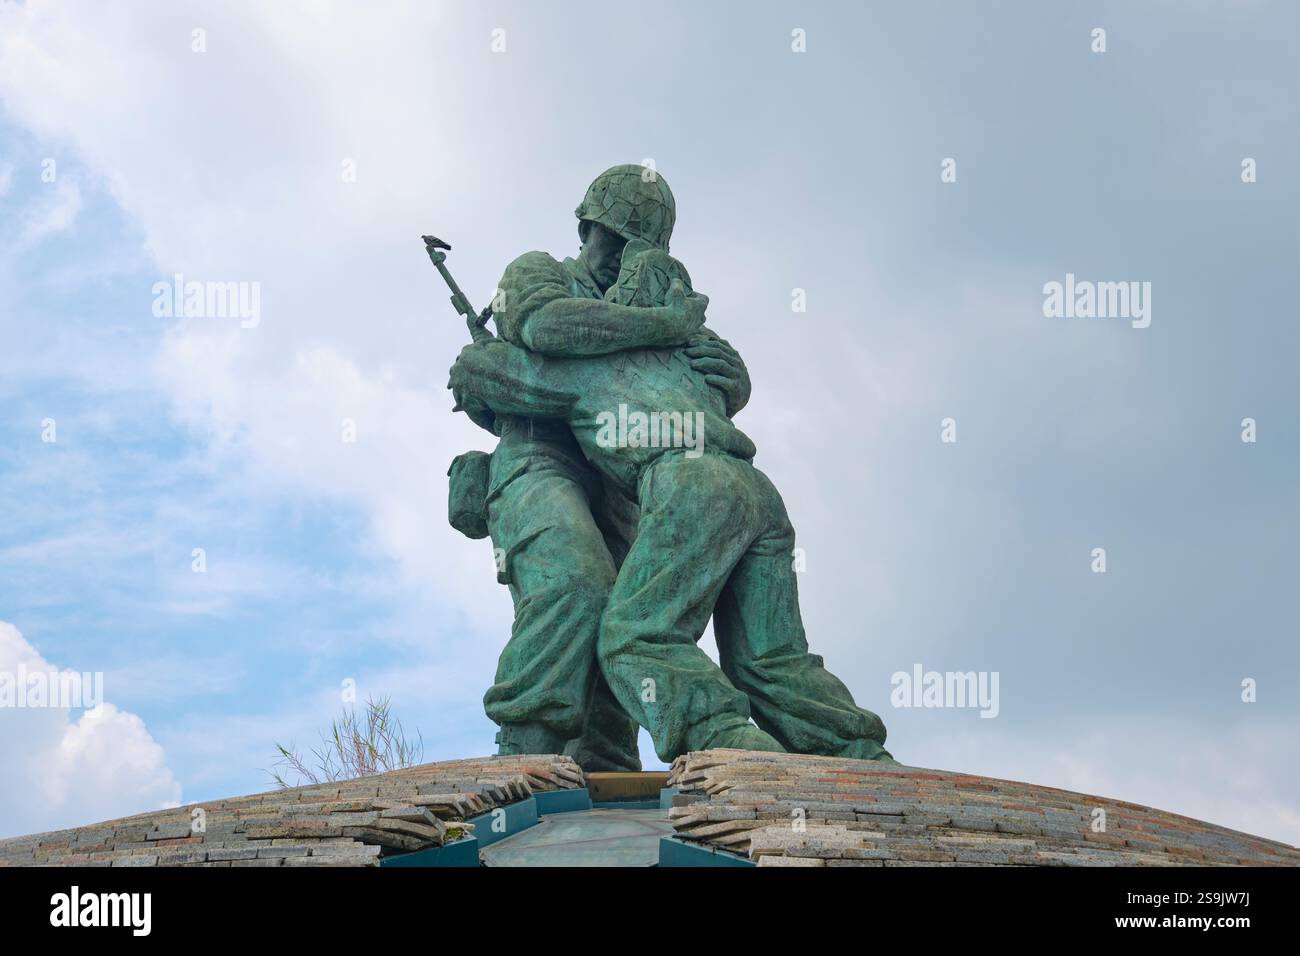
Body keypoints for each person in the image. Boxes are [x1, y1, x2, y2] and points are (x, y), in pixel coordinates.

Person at [448, 238, 894, 763]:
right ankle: (855, 748)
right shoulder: (657, 343)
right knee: (770, 658)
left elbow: (499, 369)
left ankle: (722, 736)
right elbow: (539, 330)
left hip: (678, 487)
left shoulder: (593, 366)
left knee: (635, 637)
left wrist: (485, 367)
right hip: (743, 489)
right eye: (616, 237)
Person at [447, 165, 752, 769]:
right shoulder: (538, 272)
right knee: (576, 581)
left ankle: (604, 764)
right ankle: (525, 751)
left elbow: (698, 384)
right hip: (540, 461)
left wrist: (730, 379)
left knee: (622, 610)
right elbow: (544, 325)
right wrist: (665, 326)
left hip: (625, 479)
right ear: (587, 225)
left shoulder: (650, 296)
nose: (619, 256)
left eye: (636, 245)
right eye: (612, 237)